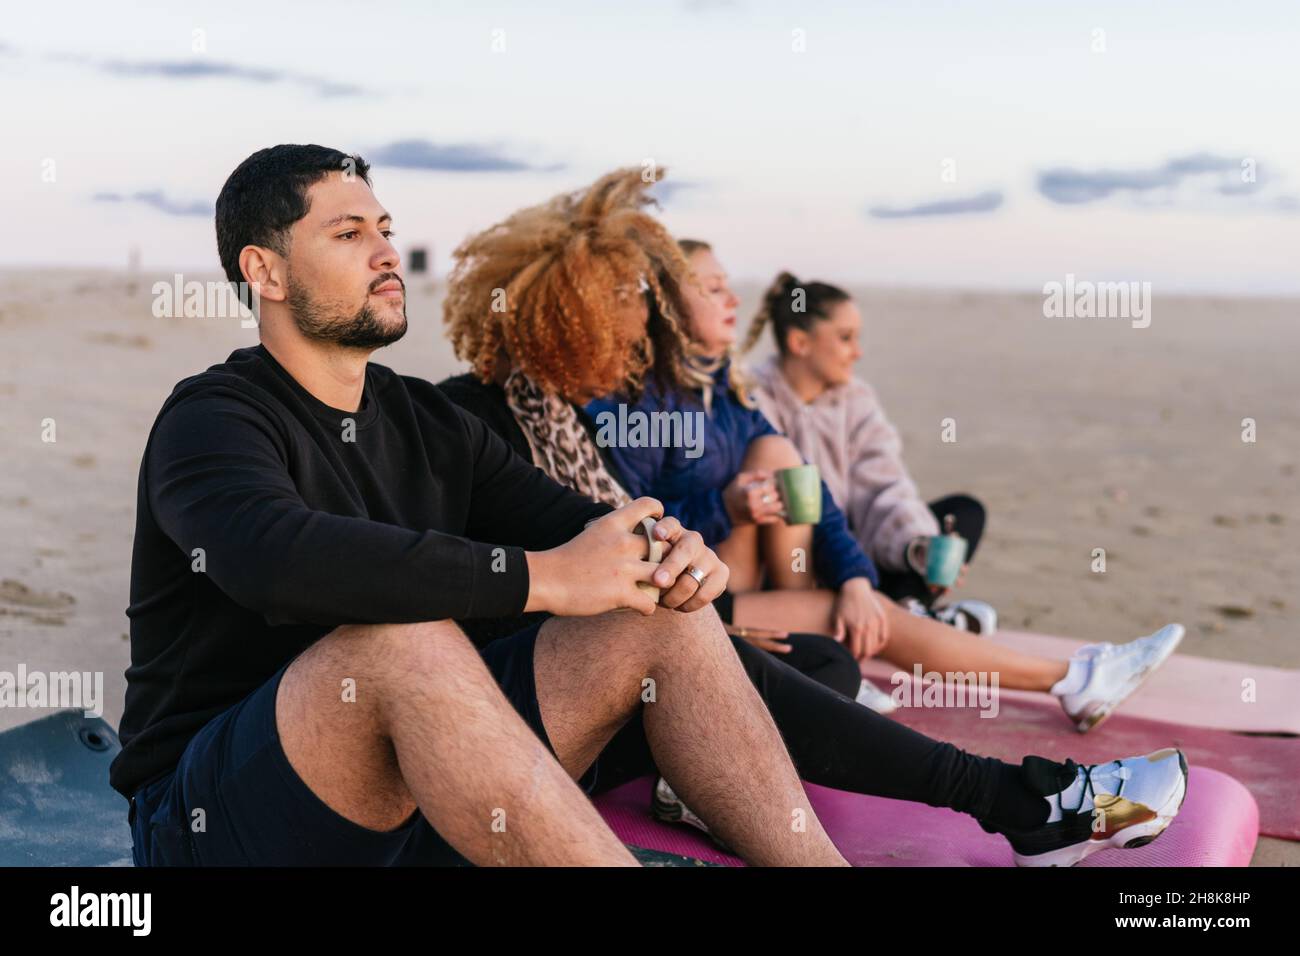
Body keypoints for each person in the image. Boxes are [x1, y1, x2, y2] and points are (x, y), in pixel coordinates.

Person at [112, 144, 852, 867]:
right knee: (399, 643)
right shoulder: (211, 418)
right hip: (218, 821)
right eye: (348, 234)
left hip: (424, 796)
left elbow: (581, 527)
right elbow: (272, 558)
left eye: (386, 230)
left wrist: (667, 550)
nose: (387, 254)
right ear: (263, 270)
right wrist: (545, 577)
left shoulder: (427, 420)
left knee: (653, 610)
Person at [437, 165, 1189, 865]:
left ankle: (1023, 786)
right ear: (570, 315)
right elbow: (508, 593)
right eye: (630, 308)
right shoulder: (487, 419)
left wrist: (783, 592)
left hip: (630, 655)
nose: (645, 329)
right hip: (533, 707)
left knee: (822, 658)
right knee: (737, 647)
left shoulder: (580, 417)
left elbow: (644, 540)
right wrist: (702, 619)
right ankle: (1029, 797)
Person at [588, 237, 1186, 735]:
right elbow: (626, 528)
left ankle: (846, 637)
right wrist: (724, 507)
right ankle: (1075, 678)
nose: (733, 297)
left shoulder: (725, 393)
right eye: (713, 287)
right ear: (665, 305)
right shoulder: (638, 405)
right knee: (868, 603)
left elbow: (814, 497)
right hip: (687, 600)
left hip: (735, 580)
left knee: (779, 457)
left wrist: (852, 578)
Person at [743, 268, 991, 628]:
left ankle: (906, 607)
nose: (857, 352)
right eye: (845, 338)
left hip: (855, 554)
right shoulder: (752, 397)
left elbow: (884, 484)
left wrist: (916, 547)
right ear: (800, 343)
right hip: (790, 570)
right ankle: (906, 617)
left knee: (965, 513)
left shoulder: (857, 399)